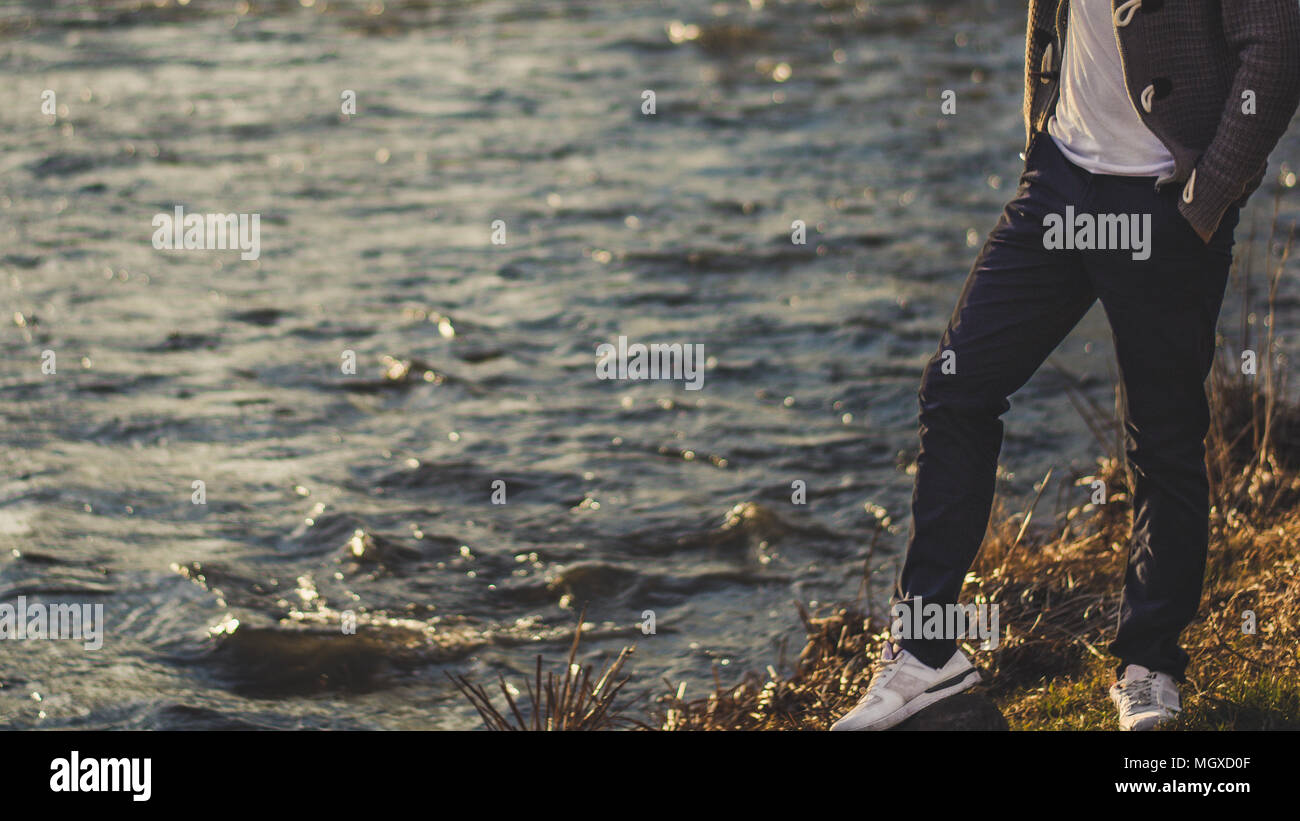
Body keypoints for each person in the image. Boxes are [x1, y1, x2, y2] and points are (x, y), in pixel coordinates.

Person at [832, 0, 1300, 731]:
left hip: (1165, 200)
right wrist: (1039, 135)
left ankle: (1150, 666)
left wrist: (1204, 199)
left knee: (1163, 437)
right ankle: (926, 654)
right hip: (1060, 181)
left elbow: (1273, 50)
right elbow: (1046, 19)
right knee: (957, 386)